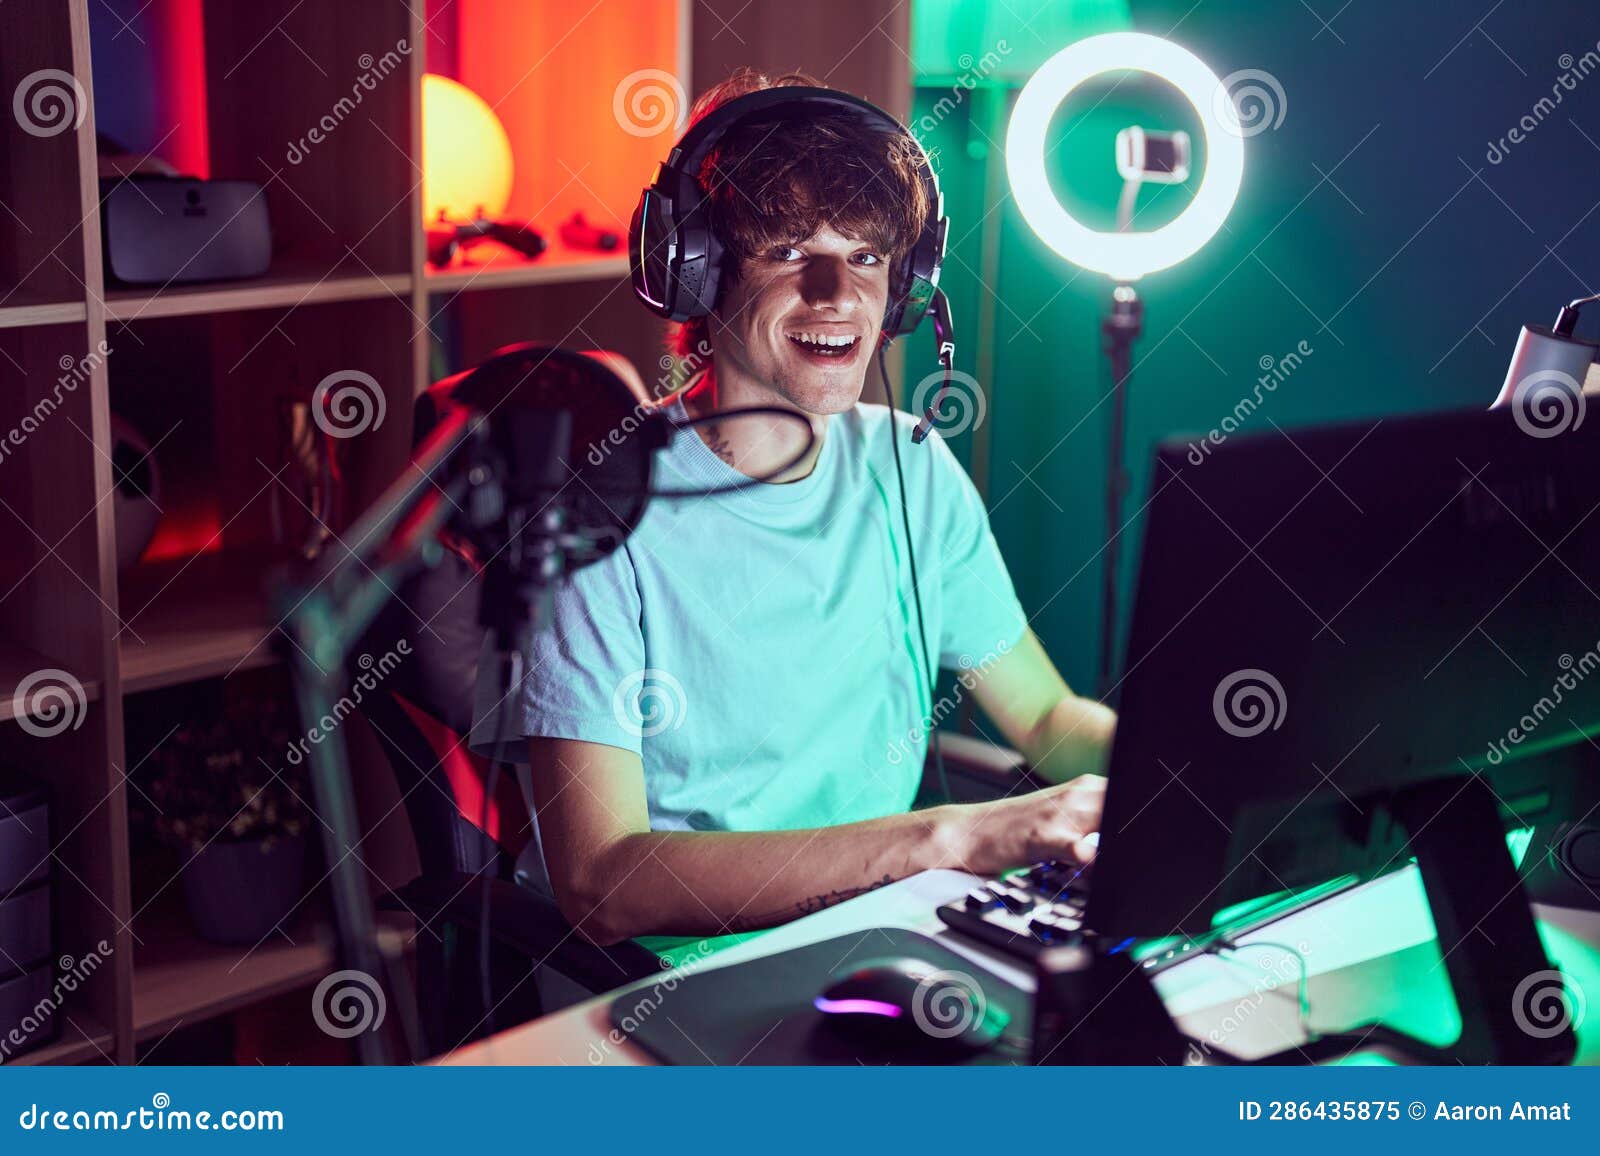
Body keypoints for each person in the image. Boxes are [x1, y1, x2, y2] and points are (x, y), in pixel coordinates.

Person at [471, 69, 1115, 948]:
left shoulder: (912, 469)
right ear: (696, 271)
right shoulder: (601, 513)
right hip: (663, 989)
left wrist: (1186, 771)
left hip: (876, 939)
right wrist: (946, 838)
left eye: (867, 255)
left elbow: (1044, 718)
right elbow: (600, 882)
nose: (838, 292)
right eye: (787, 251)